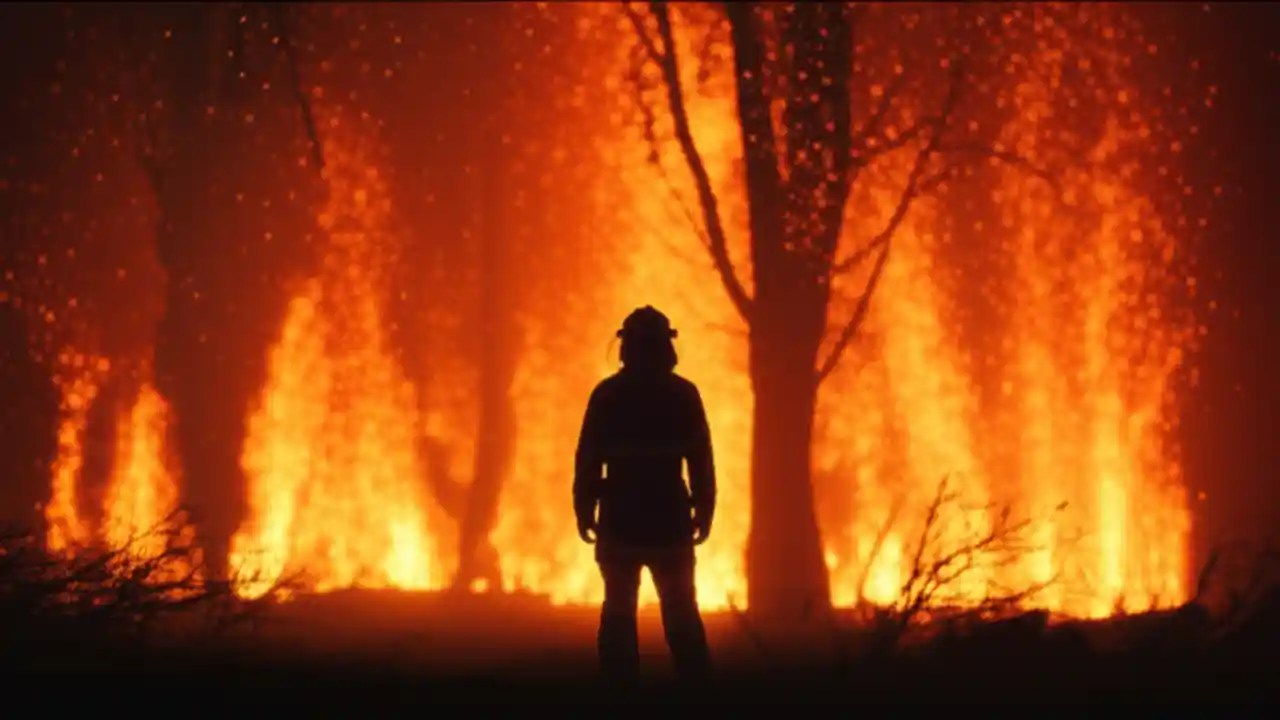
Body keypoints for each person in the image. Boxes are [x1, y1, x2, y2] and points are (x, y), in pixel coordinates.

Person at [573, 305, 715, 685]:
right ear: (666, 347)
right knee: (681, 609)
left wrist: (584, 508)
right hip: (669, 518)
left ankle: (621, 694)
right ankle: (697, 690)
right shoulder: (683, 395)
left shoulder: (607, 395)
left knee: (619, 610)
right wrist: (704, 507)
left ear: (625, 347)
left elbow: (588, 458)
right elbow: (700, 459)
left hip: (621, 519)